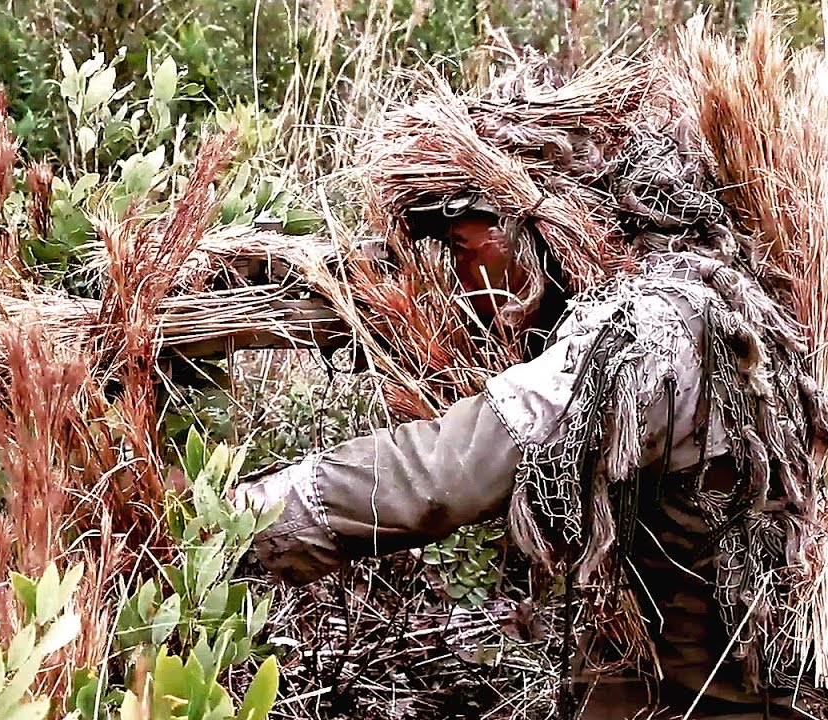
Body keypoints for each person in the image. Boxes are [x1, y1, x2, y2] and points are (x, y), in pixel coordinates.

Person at [233, 136, 828, 717]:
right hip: (684, 660)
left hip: (728, 685)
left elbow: (444, 477)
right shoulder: (722, 278)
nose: (462, 277)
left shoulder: (645, 332)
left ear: (537, 227)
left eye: (464, 248)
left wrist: (236, 522)